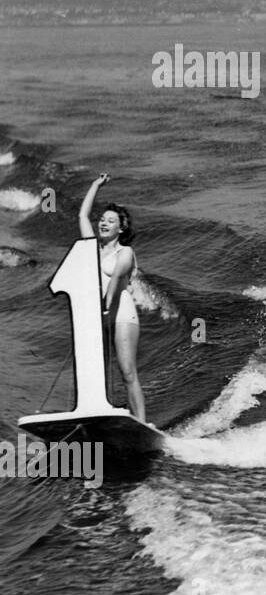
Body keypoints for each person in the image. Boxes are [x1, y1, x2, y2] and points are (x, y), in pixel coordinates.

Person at [79, 174, 146, 422]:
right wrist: (95, 185)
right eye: (103, 219)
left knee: (127, 372)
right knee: (97, 372)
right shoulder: (90, 247)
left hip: (120, 313)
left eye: (111, 221)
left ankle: (141, 423)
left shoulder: (125, 252)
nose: (103, 223)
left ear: (121, 228)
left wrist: (104, 310)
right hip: (100, 312)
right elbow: (82, 216)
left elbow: (117, 279)